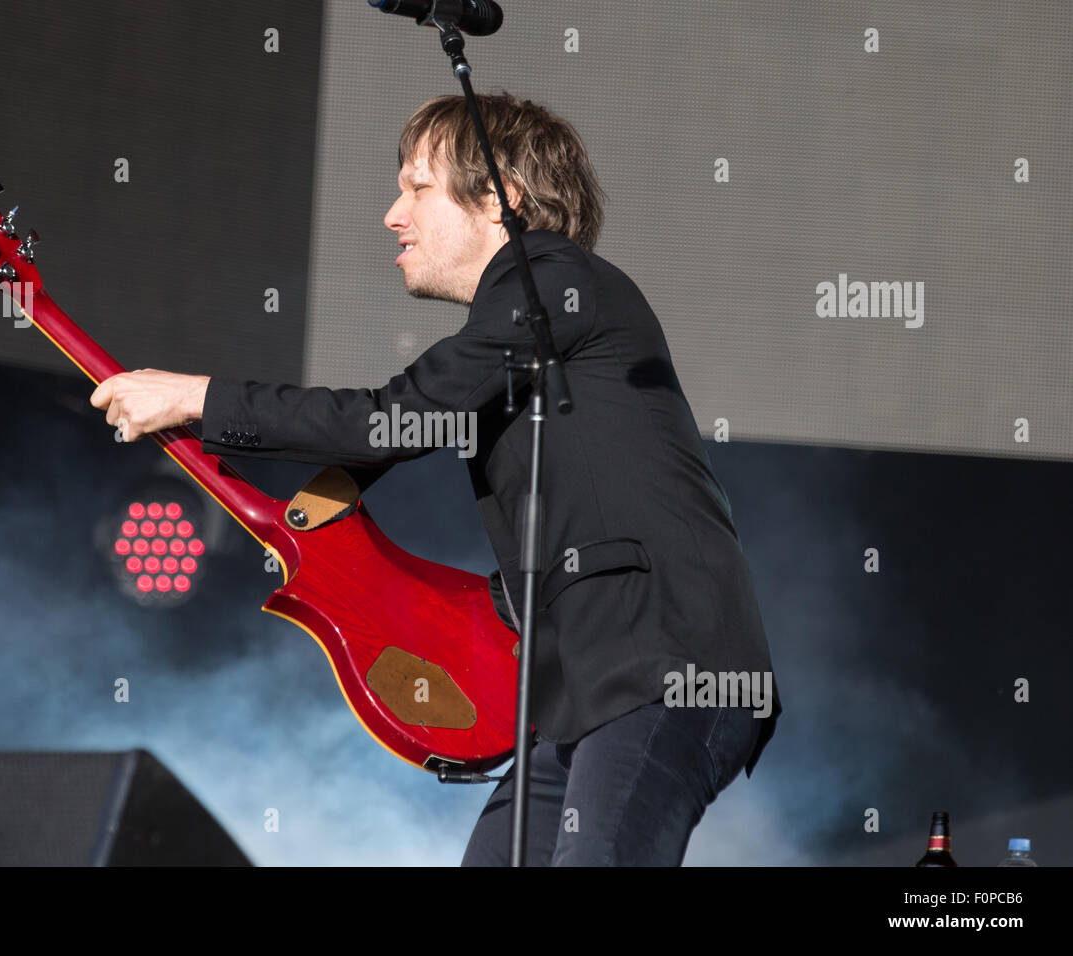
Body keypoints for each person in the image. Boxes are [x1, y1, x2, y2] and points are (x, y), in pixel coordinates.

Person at [90, 91, 782, 866]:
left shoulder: (554, 282)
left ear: (501, 198)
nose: (393, 212)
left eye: (418, 186)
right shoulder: (526, 332)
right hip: (585, 695)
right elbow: (389, 440)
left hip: (666, 672)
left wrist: (199, 397)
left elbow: (396, 415)